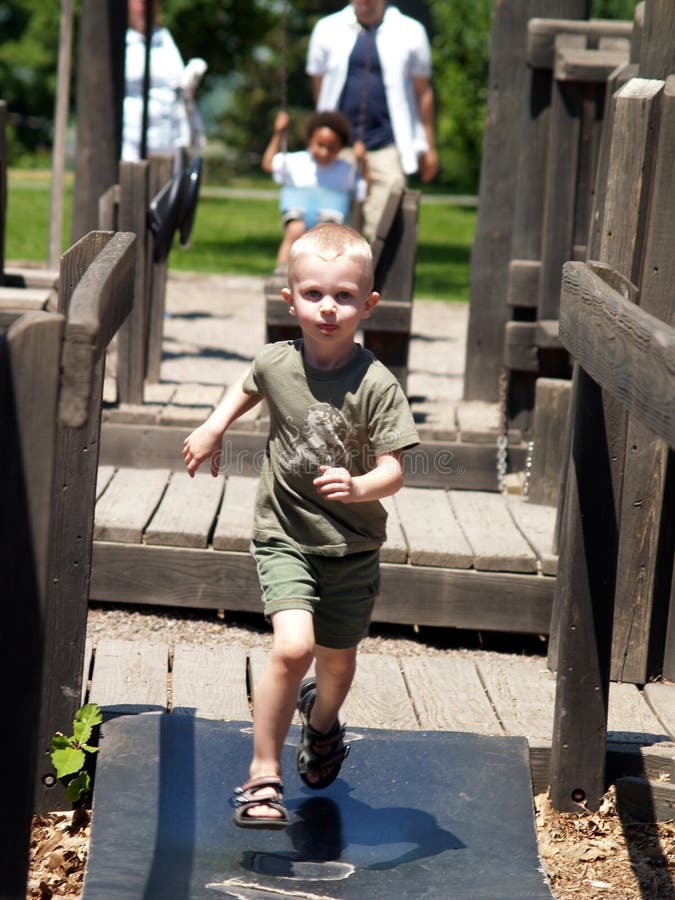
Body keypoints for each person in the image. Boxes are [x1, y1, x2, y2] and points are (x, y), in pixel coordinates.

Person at [182, 223, 419, 829]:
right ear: (291, 300)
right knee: (293, 647)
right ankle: (263, 775)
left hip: (352, 545)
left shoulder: (376, 383)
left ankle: (321, 726)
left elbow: (394, 469)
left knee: (336, 663)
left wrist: (362, 486)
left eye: (343, 296)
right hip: (285, 532)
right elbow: (250, 383)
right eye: (313, 294)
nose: (328, 308)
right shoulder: (278, 361)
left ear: (368, 305)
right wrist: (214, 427)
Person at [306, 0, 438, 240]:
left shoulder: (410, 30)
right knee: (334, 225)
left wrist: (428, 145)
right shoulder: (327, 28)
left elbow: (423, 91)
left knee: (386, 222)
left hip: (387, 145)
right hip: (339, 148)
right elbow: (319, 85)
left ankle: (379, 276)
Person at [262, 109, 368, 266]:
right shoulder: (298, 161)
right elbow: (268, 164)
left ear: (340, 148)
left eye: (331, 148)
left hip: (330, 217)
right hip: (299, 213)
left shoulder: (345, 169)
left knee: (326, 237)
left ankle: (324, 274)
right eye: (320, 145)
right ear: (310, 141)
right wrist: (278, 134)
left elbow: (364, 190)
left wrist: (363, 162)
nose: (324, 152)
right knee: (295, 230)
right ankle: (283, 271)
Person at [123, 0, 207, 164]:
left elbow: (178, 88)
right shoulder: (121, 41)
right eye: (138, 2)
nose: (143, 8)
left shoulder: (165, 40)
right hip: (130, 142)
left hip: (167, 140)